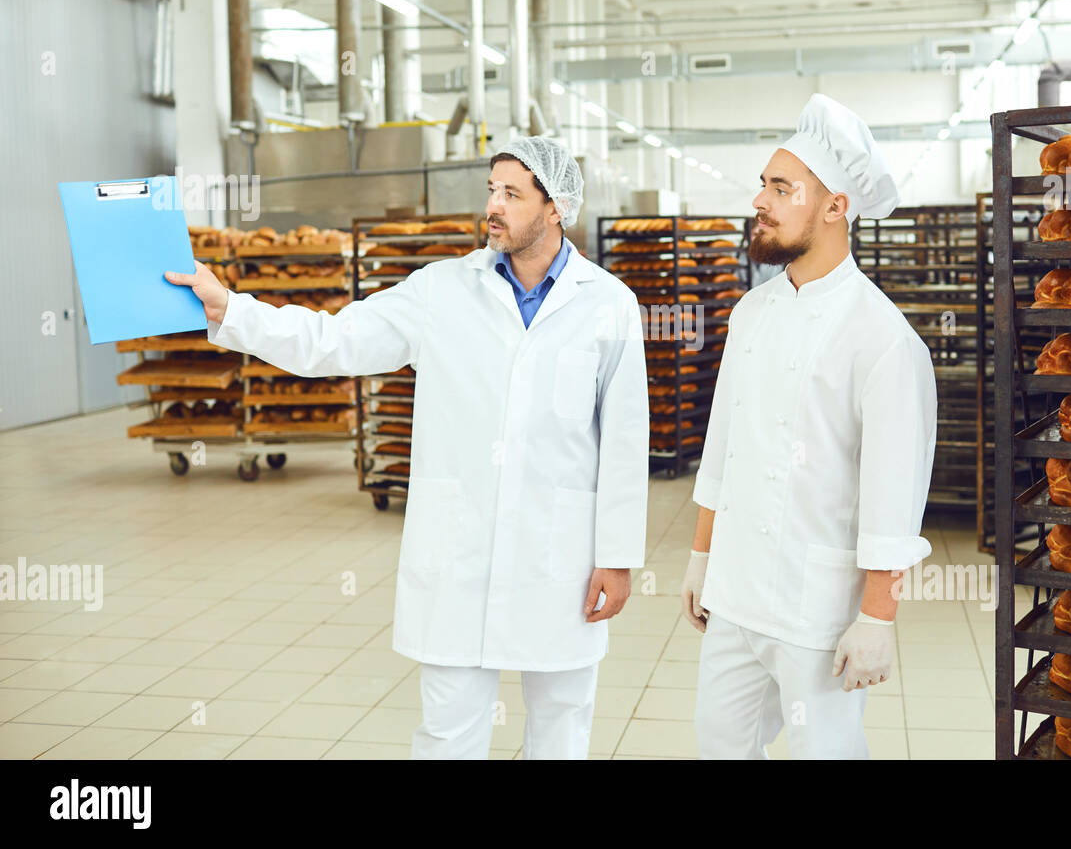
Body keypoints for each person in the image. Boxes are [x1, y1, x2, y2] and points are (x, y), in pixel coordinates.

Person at [166, 137, 649, 760]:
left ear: (555, 209)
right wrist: (233, 309)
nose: (493, 207)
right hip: (459, 555)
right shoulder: (442, 290)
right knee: (449, 734)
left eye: (512, 194)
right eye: (491, 191)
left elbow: (626, 437)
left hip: (559, 559)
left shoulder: (608, 303)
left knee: (561, 727)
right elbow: (333, 340)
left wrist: (617, 556)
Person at [679, 93, 937, 759]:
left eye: (781, 188)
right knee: (720, 747)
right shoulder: (750, 313)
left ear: (834, 207)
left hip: (814, 608)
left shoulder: (882, 339)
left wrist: (877, 616)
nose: (759, 201)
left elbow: (892, 494)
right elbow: (724, 449)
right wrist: (702, 557)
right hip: (735, 593)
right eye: (762, 184)